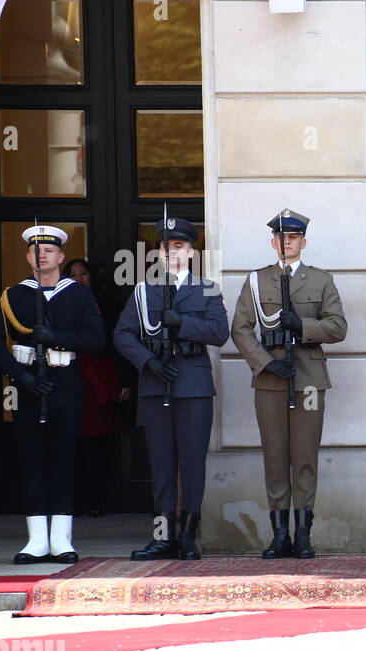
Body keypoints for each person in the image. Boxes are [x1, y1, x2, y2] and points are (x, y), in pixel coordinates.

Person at [0, 224, 104, 563]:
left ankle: (61, 537)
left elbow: (95, 340)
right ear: (27, 256)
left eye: (49, 251)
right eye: (36, 251)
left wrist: (56, 337)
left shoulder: (78, 294)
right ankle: (36, 539)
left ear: (61, 256)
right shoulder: (14, 295)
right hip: (28, 383)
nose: (42, 255)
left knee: (64, 457)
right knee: (31, 458)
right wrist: (20, 375)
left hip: (64, 382)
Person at [231, 209, 348, 558]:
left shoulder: (320, 280)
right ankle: (279, 533)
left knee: (305, 455)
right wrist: (266, 363)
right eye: (281, 239)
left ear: (303, 242)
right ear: (273, 243)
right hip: (271, 379)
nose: (287, 243)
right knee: (276, 456)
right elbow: (240, 329)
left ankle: (303, 533)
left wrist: (302, 326)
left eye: (293, 238)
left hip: (309, 378)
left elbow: (338, 327)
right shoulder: (256, 281)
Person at [114, 217, 229, 560]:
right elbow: (122, 335)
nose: (172, 251)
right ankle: (163, 537)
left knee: (192, 463)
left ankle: (189, 536)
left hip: (192, 384)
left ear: (191, 251)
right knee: (161, 464)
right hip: (155, 382)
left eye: (179, 246)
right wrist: (148, 362)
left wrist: (184, 323)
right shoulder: (143, 290)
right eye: (166, 246)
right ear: (157, 253)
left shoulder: (207, 288)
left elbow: (219, 333)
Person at [67, 258, 127, 517]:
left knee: (97, 444)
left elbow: (119, 344)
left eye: (83, 274)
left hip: (99, 382)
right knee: (69, 444)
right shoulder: (59, 304)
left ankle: (96, 499)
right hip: (69, 380)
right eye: (73, 274)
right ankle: (72, 501)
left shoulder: (107, 306)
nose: (79, 279)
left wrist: (125, 380)